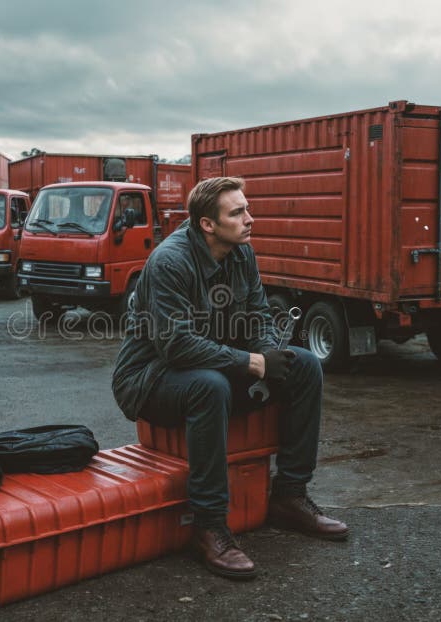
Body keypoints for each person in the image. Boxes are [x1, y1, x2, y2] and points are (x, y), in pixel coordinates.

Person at [112, 176, 348, 581]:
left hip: (211, 367)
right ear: (207, 224)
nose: (249, 219)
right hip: (151, 380)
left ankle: (290, 496)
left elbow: (257, 315)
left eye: (247, 208)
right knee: (210, 385)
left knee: (304, 365)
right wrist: (254, 364)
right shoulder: (170, 262)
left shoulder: (241, 254)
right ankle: (209, 526)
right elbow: (177, 346)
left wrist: (271, 352)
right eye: (237, 212)